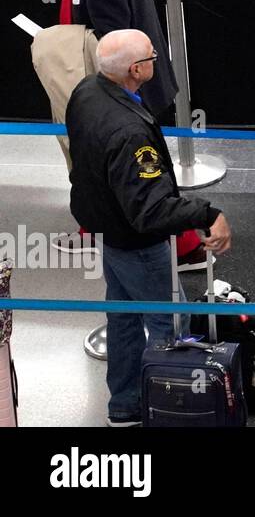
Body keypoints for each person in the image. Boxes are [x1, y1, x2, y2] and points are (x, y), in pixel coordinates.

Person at [31, 0, 204, 266]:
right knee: (139, 172)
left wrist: (110, 104)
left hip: (125, 92)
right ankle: (161, 239)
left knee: (137, 175)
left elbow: (114, 41)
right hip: (141, 84)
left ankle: (183, 246)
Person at [66, 29, 232, 426]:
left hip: (108, 230)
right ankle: (170, 408)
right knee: (170, 322)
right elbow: (150, 210)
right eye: (152, 57)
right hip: (137, 242)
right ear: (136, 70)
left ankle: (125, 405)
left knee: (123, 319)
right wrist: (207, 213)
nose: (157, 62)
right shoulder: (130, 132)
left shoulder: (86, 91)